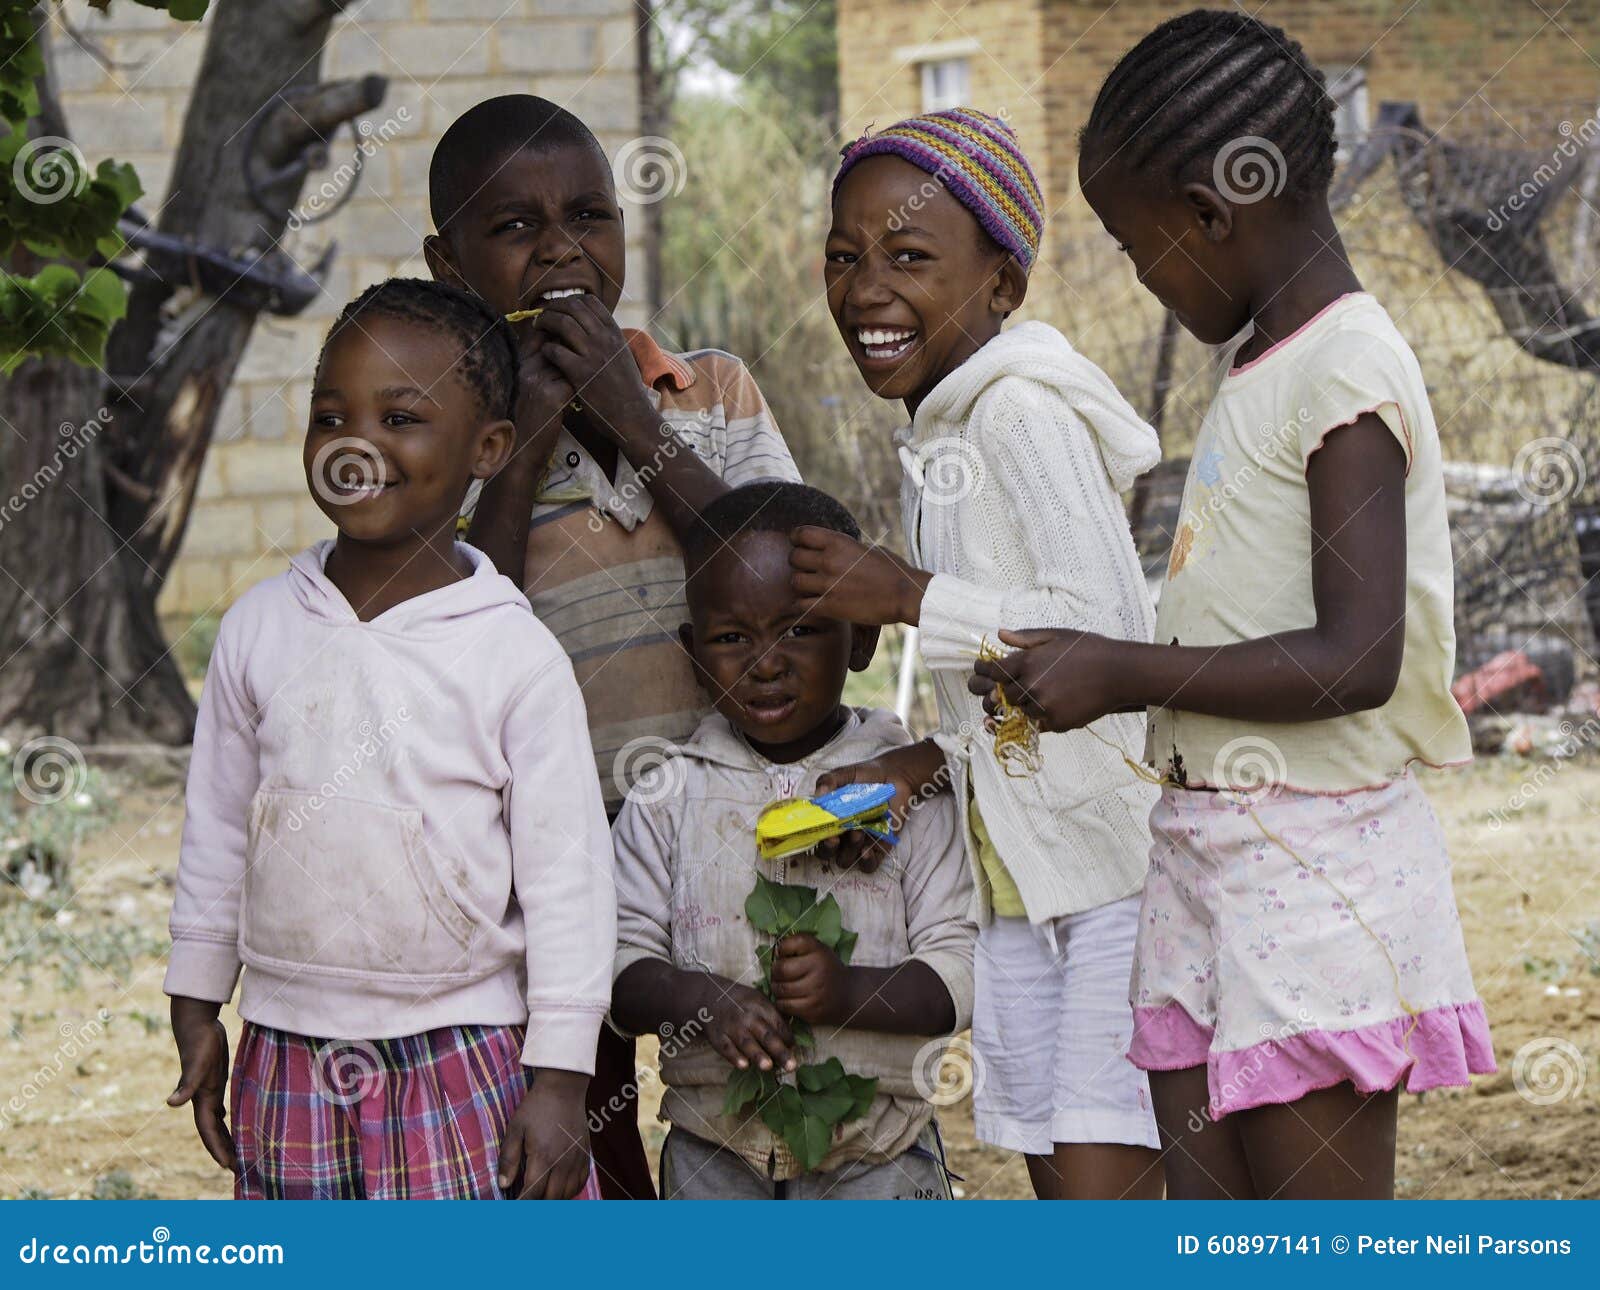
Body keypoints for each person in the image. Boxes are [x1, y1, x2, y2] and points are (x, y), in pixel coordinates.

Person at [972, 9, 1496, 1199]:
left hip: (1316, 870)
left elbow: (1357, 658)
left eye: (1132, 245)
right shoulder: (1266, 358)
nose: (1142, 278)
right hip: (1208, 851)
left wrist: (1125, 670)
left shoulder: (1345, 368)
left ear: (1211, 214)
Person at [164, 279, 615, 1200]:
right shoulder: (258, 629)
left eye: (401, 416)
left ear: (489, 448)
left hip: (459, 1049)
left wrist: (563, 1079)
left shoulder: (511, 653)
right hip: (284, 1048)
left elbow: (569, 881)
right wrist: (197, 1001)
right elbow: (213, 832)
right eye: (331, 415)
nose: (356, 443)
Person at [423, 95, 800, 1197]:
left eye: (589, 215)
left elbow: (773, 585)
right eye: (514, 228)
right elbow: (452, 628)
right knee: (582, 1117)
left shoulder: (712, 391)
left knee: (741, 1117)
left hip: (719, 841)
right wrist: (525, 441)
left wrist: (639, 421)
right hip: (545, 855)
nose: (559, 249)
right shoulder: (436, 434)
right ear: (448, 264)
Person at [787, 109, 1163, 1199]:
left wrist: (906, 596)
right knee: (1057, 1170)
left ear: (1001, 284)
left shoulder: (1015, 416)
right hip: (1019, 883)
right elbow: (1004, 703)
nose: (865, 289)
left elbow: (1102, 632)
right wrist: (917, 770)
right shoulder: (942, 432)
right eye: (844, 257)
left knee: (1102, 1189)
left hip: (1108, 878)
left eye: (909, 257)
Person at [611, 481, 976, 1199]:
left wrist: (848, 992)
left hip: (880, 1155)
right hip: (712, 1152)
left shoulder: (907, 789)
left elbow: (961, 972)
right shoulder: (667, 794)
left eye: (800, 628)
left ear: (863, 637)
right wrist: (701, 1002)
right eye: (730, 638)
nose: (765, 661)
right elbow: (619, 969)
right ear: (693, 653)